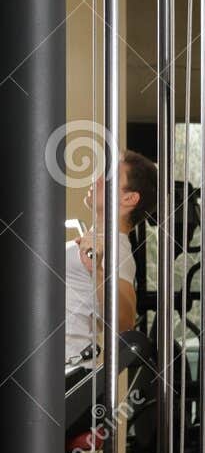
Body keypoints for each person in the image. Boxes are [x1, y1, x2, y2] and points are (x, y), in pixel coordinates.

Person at [65, 149, 157, 379]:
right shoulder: (98, 239)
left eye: (108, 178)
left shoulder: (116, 247)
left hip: (69, 377)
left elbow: (124, 323)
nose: (96, 180)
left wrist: (97, 272)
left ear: (129, 198)